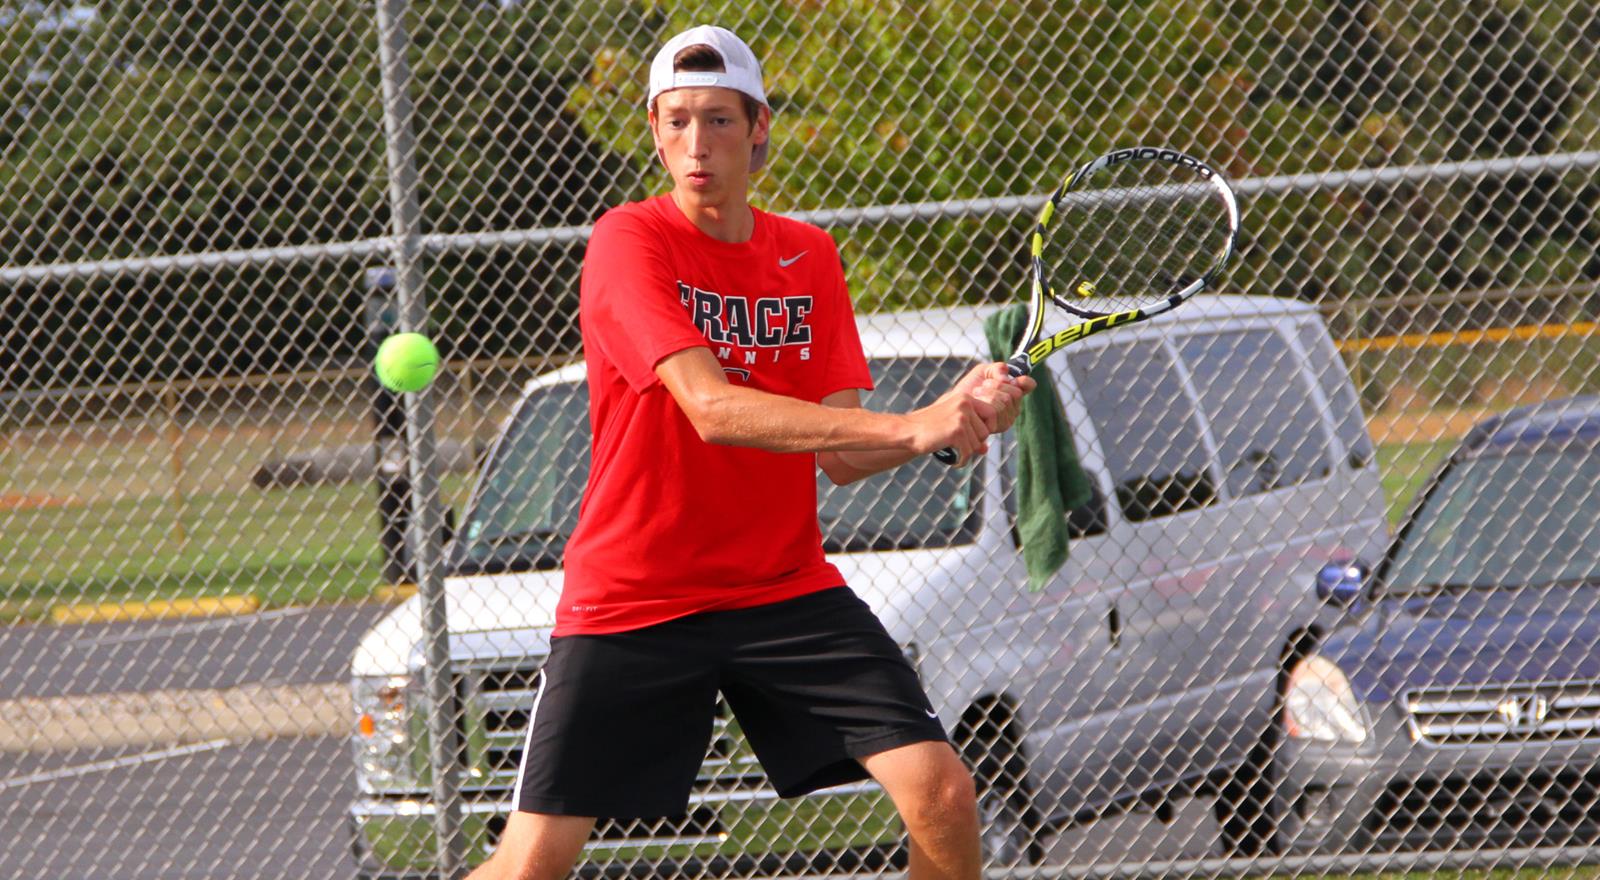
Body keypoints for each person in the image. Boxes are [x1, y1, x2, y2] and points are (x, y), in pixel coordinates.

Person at [468, 24, 1032, 880]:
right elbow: (712, 408)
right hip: (637, 595)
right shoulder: (629, 241)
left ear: (758, 127)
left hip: (782, 586)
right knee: (534, 863)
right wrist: (916, 422)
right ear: (654, 131)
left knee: (944, 795)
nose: (699, 145)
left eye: (721, 121)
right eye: (679, 120)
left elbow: (839, 453)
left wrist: (955, 428)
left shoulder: (808, 254)